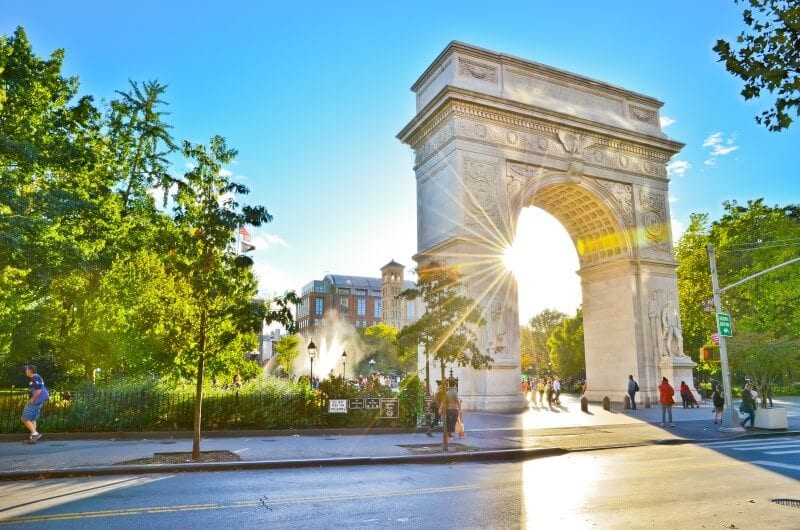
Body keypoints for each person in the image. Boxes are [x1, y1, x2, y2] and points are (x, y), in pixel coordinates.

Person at [21, 365, 49, 444]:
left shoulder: (36, 377)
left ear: (30, 370)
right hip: (39, 400)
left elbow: (39, 390)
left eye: (26, 369)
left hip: (36, 400)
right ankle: (33, 438)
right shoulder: (35, 378)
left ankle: (35, 434)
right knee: (32, 419)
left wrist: (32, 399)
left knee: (25, 419)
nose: (25, 370)